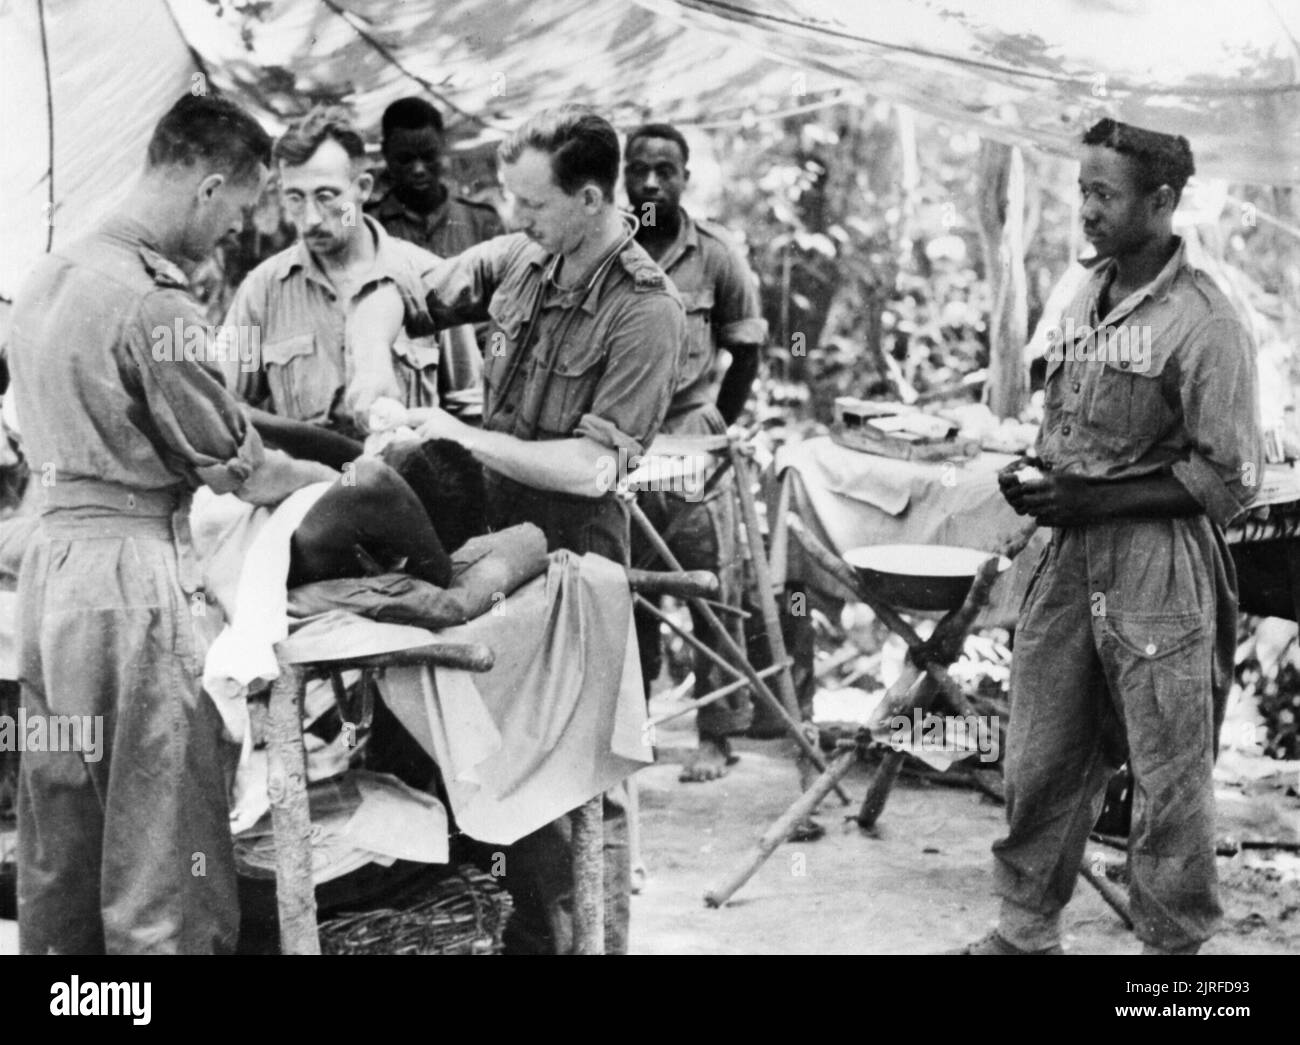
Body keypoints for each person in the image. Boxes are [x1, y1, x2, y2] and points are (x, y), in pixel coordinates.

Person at [352, 105, 686, 953]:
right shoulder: (521, 261)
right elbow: (389, 294)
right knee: (472, 768)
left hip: (576, 564)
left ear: (588, 196)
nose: (515, 219)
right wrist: (369, 376)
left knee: (575, 786)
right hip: (485, 553)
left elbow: (594, 466)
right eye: (509, 200)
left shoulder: (647, 309)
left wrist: (461, 433)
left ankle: (591, 945)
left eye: (532, 204)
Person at [6, 93, 333, 954]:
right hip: (129, 582)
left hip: (47, 576)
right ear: (210, 186)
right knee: (162, 838)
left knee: (63, 831)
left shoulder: (49, 273)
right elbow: (243, 465)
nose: (232, 233)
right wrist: (340, 474)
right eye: (235, 213)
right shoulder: (158, 305)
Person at [960, 119, 1264, 955]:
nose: (1086, 210)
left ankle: (1173, 964)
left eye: (1106, 194)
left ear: (1162, 202)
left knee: (1170, 780)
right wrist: (1040, 472)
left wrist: (1091, 497)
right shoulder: (1079, 290)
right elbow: (1072, 422)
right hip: (1067, 562)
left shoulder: (1207, 320)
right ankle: (1024, 933)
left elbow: (1227, 478)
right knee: (1040, 757)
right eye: (1082, 190)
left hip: (1158, 573)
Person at [622, 121, 768, 781]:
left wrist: (714, 423)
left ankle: (717, 733)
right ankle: (634, 726)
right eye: (640, 168)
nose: (652, 182)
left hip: (691, 447)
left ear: (685, 178)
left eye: (666, 170)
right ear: (623, 174)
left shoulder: (717, 253)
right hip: (621, 447)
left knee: (708, 589)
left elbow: (748, 348)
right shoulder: (604, 247)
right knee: (628, 592)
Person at [221, 106, 449, 463]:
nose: (310, 219)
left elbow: (470, 408)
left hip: (416, 503)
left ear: (363, 189)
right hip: (312, 503)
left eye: (326, 197)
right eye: (295, 198)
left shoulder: (428, 278)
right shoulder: (262, 291)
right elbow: (228, 406)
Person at [366, 97, 505, 409]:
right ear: (386, 153)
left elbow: (509, 315)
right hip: (402, 389)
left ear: (443, 148)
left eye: (428, 157)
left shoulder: (482, 222)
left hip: (477, 389)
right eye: (405, 159)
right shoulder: (369, 228)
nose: (418, 169)